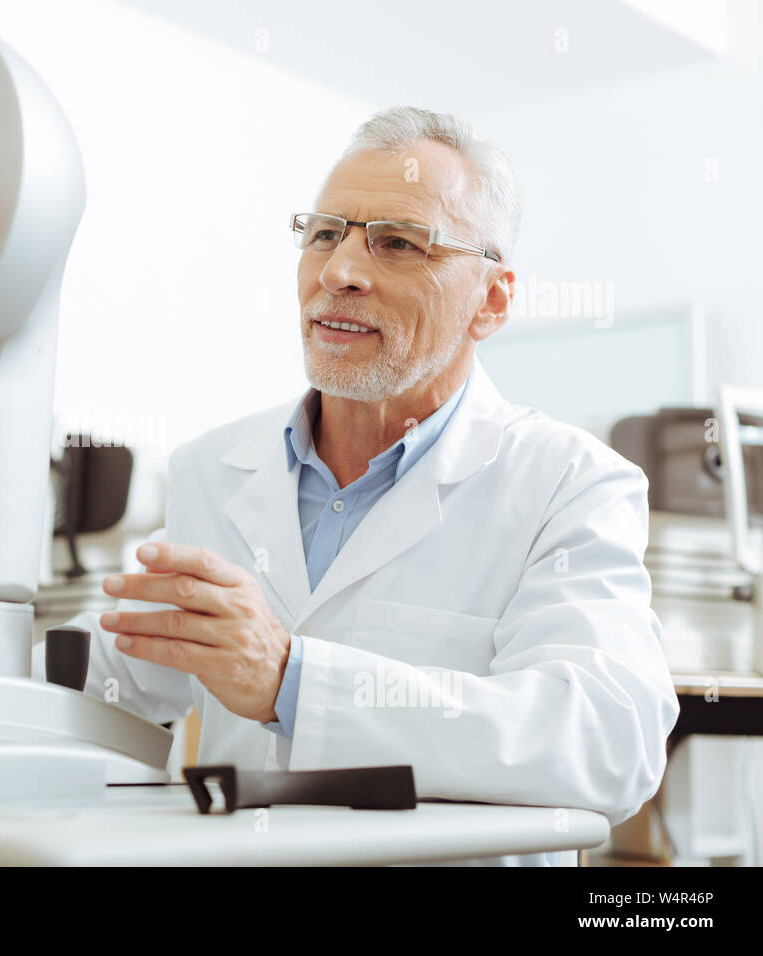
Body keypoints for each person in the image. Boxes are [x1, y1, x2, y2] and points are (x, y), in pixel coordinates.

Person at [39, 106, 680, 866]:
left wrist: (292, 681)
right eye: (323, 233)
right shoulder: (211, 470)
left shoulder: (570, 484)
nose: (339, 271)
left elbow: (609, 743)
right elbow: (111, 692)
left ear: (493, 300)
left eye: (398, 243)